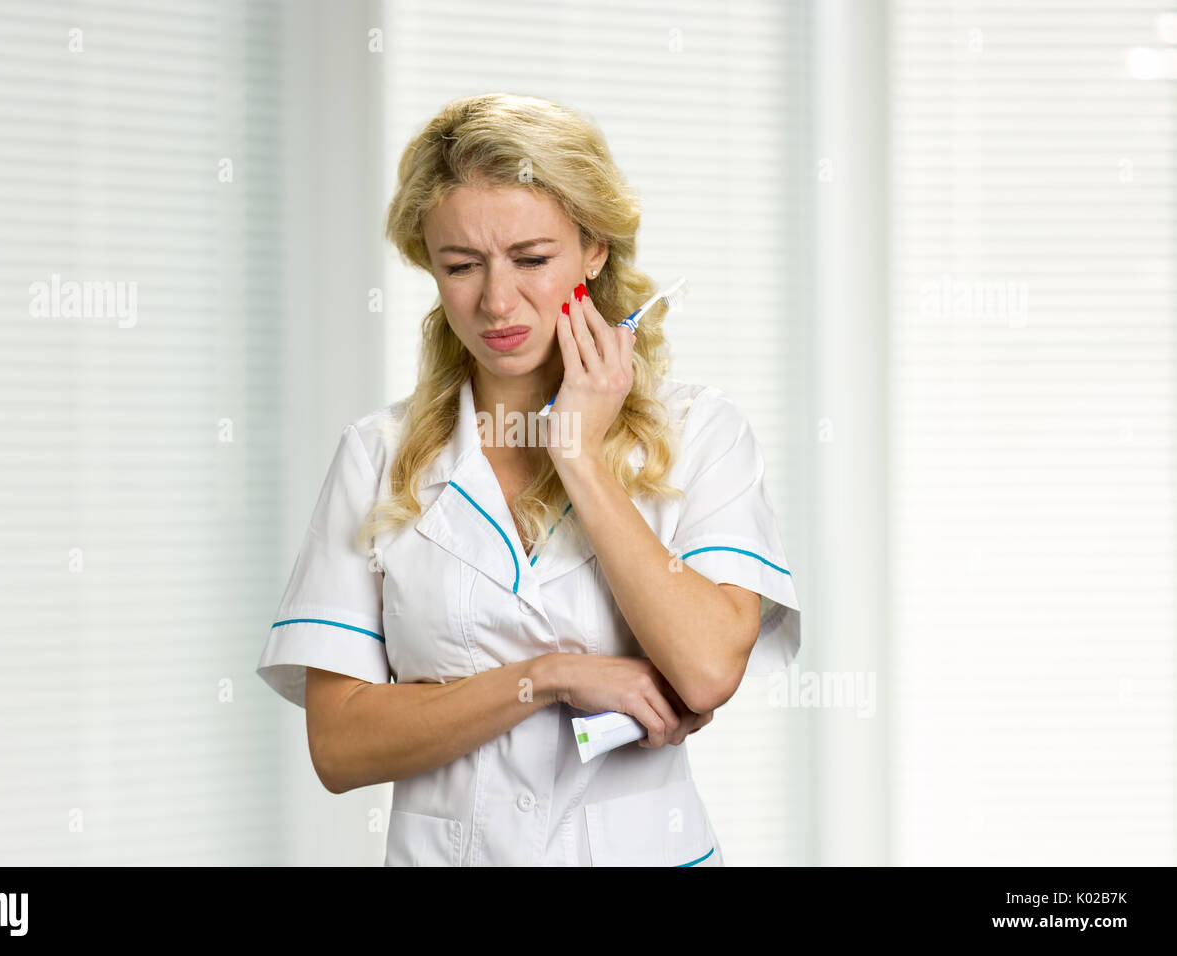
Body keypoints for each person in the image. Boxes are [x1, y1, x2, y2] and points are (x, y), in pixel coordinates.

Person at [256, 92, 801, 866]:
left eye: (532, 259)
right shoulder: (377, 455)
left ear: (595, 250)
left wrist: (577, 454)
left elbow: (708, 668)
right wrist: (545, 679)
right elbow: (340, 746)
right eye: (461, 266)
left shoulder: (701, 433)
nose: (497, 301)